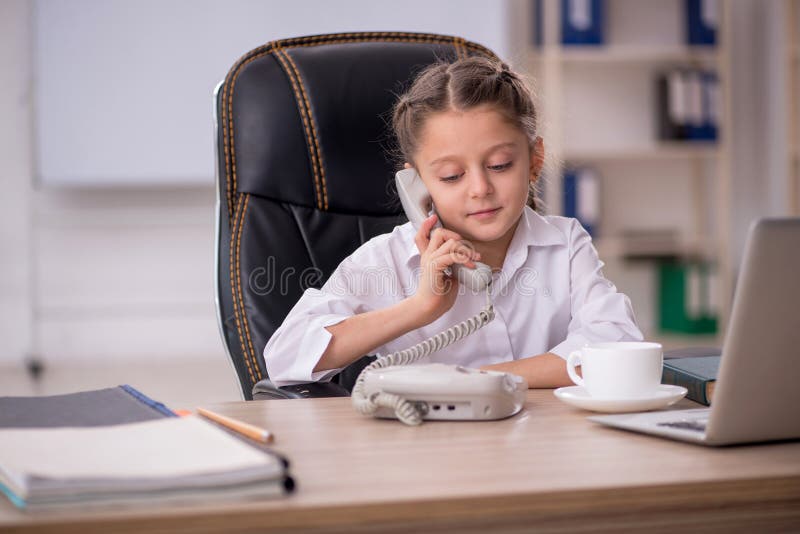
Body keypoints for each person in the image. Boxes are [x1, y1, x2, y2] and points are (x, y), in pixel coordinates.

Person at [263, 55, 642, 388]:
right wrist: (420, 308)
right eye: (450, 176)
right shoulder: (387, 262)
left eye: (499, 166)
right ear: (417, 184)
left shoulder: (565, 244)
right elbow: (285, 357)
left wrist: (479, 381)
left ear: (534, 160)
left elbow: (617, 343)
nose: (480, 188)